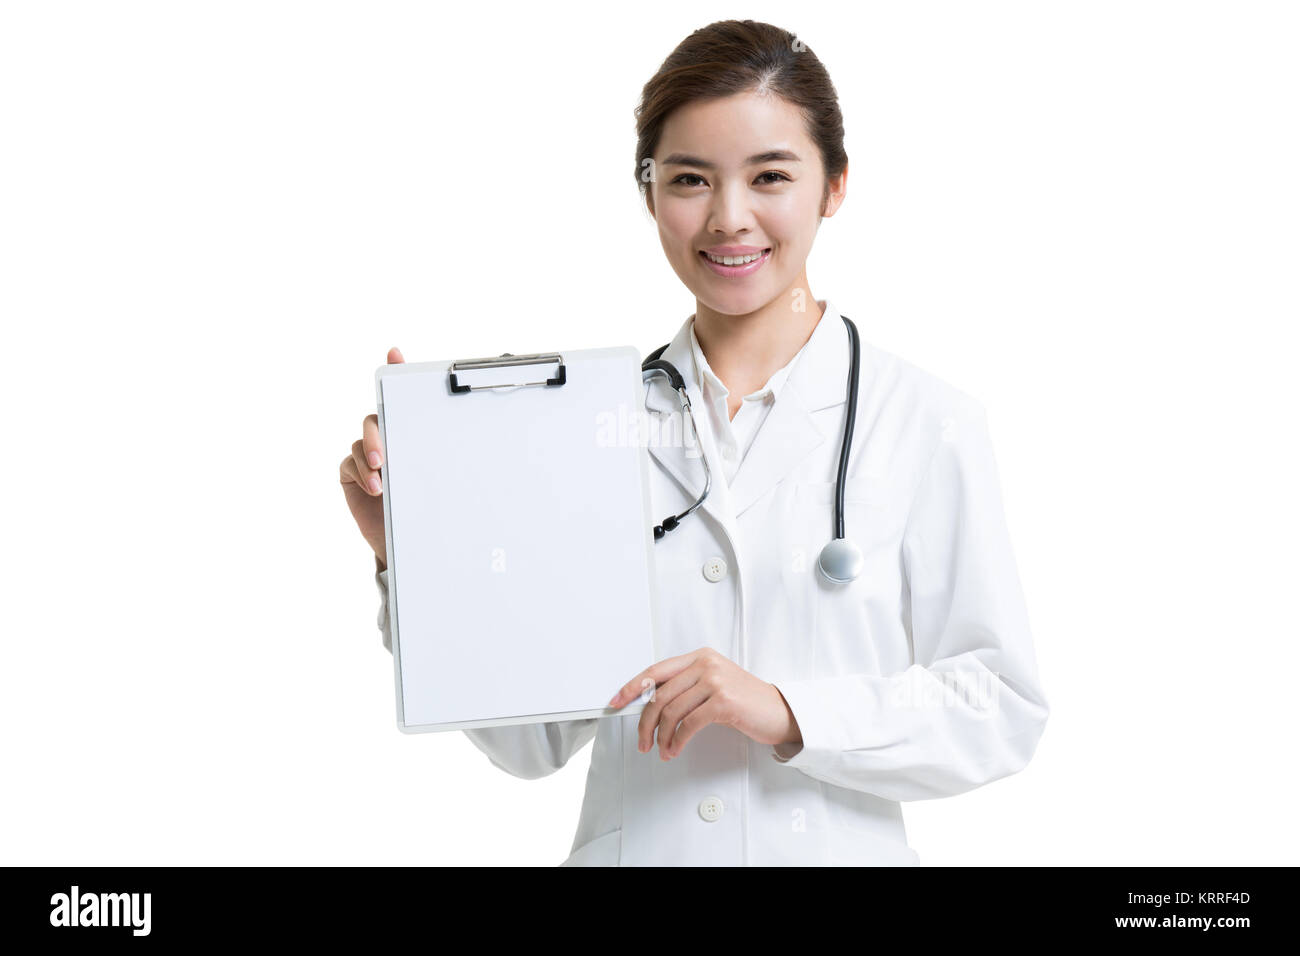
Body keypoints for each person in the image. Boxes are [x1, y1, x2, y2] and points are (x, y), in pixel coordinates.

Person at [338, 19, 1049, 866]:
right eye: (689, 180)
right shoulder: (576, 431)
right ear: (648, 194)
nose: (728, 218)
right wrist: (421, 566)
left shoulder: (925, 422)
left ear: (835, 185)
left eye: (770, 176)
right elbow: (530, 747)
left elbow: (999, 707)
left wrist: (786, 711)